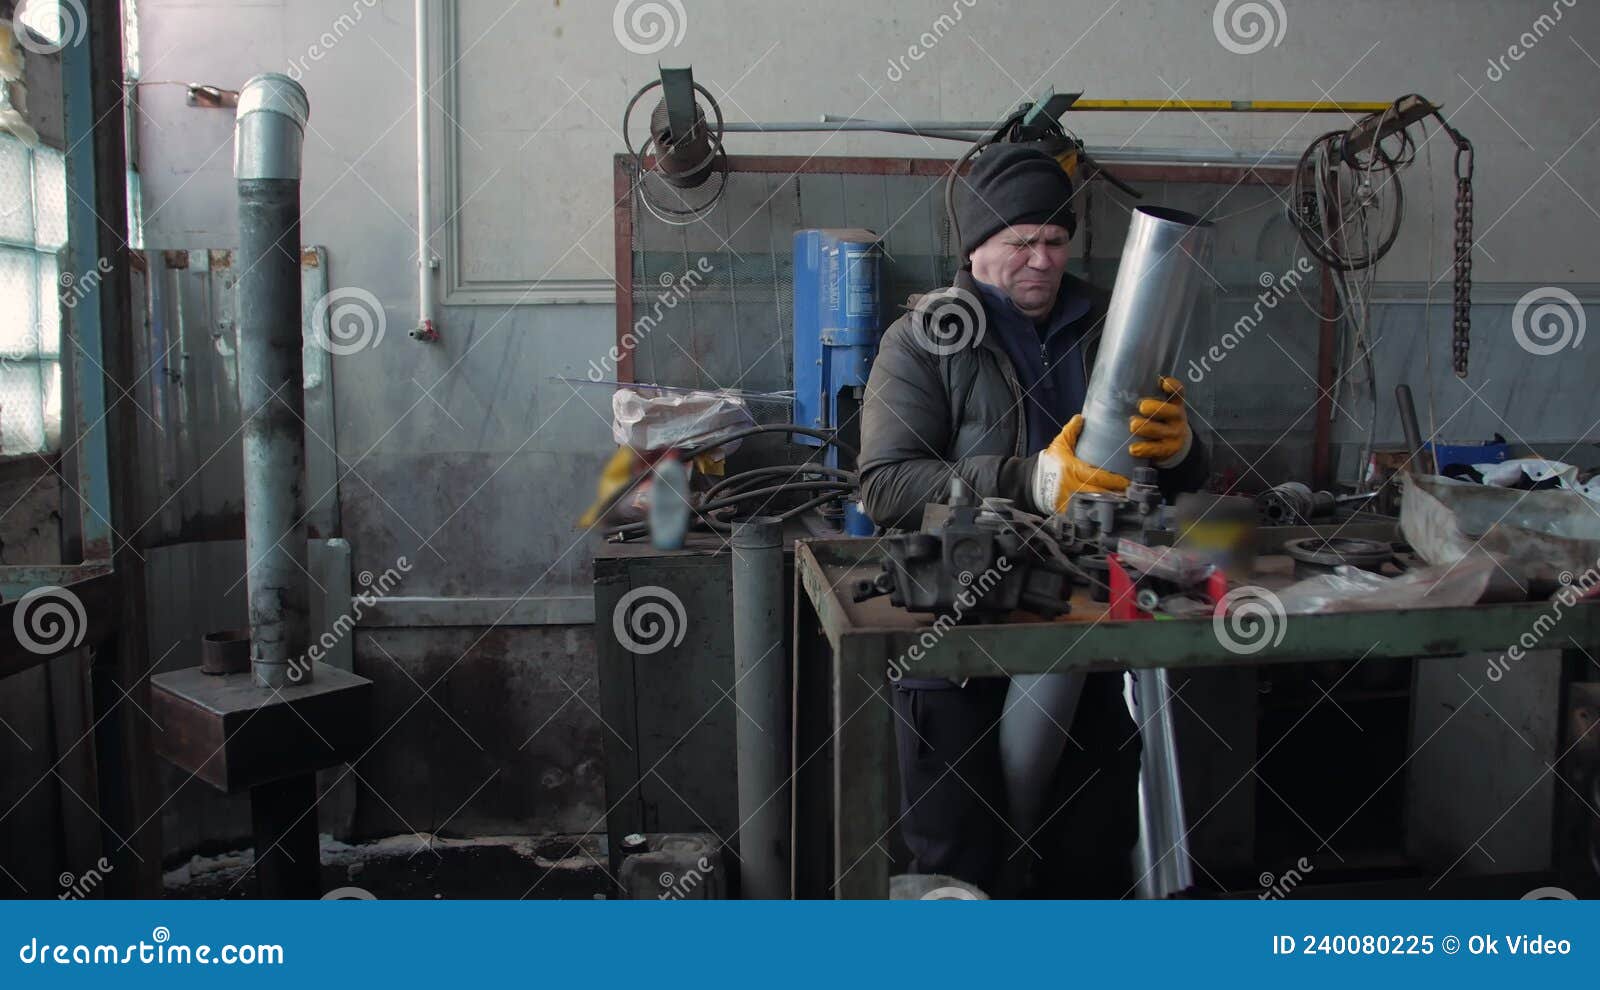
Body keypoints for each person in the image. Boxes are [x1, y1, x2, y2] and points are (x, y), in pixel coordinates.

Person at [857, 144, 1209, 896]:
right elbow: (886, 485)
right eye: (1020, 241)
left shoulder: (1109, 332)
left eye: (1054, 241)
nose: (1041, 260)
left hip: (1085, 629)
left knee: (1088, 856)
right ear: (977, 248)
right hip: (960, 635)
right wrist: (1031, 481)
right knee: (962, 861)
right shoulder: (921, 342)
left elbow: (1164, 475)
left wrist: (1181, 453)